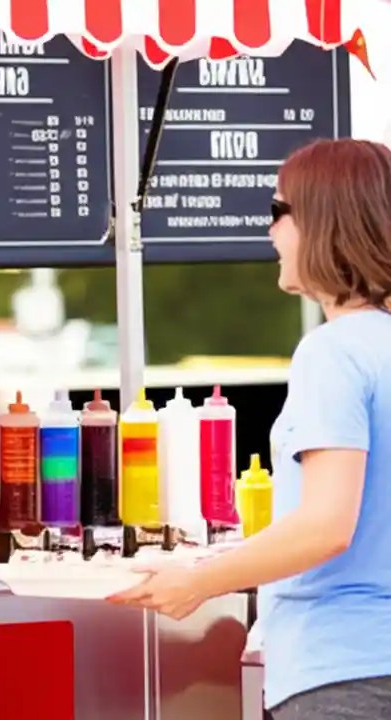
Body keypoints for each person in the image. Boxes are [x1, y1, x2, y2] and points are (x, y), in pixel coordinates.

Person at [108, 138, 391, 719]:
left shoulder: (333, 353)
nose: (269, 233)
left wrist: (198, 580)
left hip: (343, 672)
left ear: (323, 222)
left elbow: (325, 527)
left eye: (276, 212)